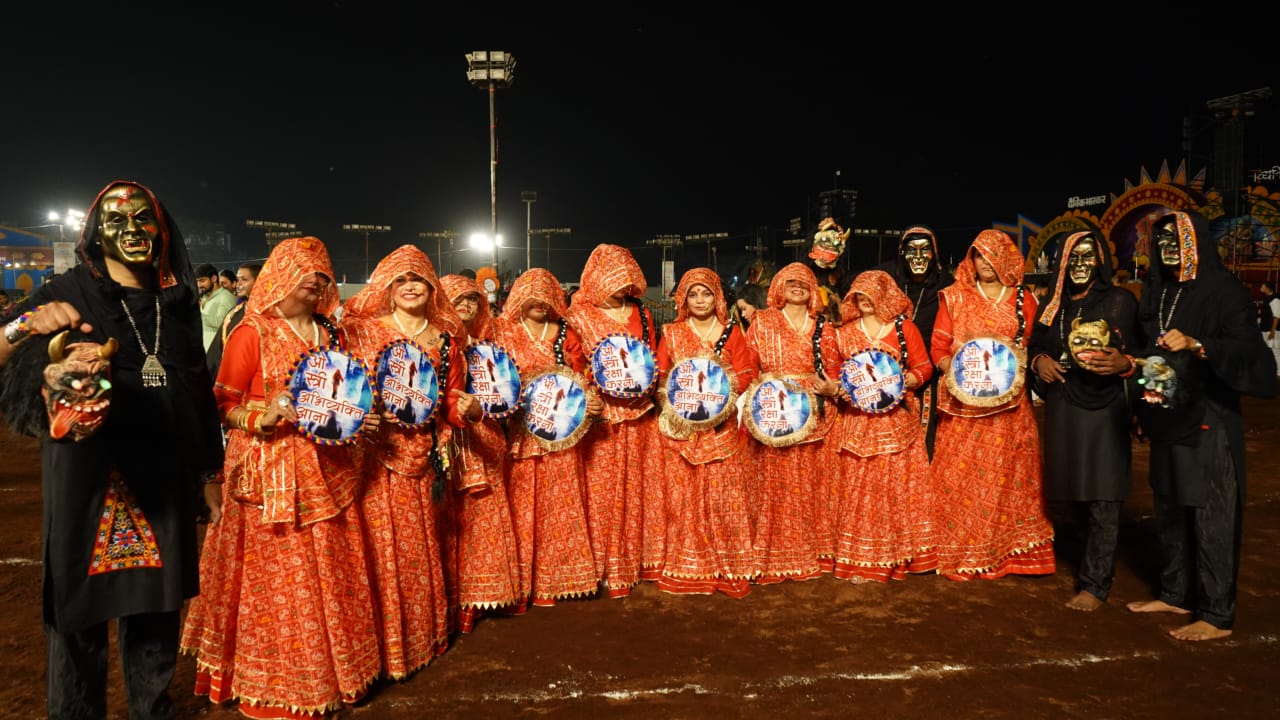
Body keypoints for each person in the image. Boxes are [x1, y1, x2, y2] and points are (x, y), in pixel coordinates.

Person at [0, 180, 224, 719]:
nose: (132, 230)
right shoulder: (67, 291)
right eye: (116, 221)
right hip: (88, 485)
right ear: (95, 236)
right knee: (79, 620)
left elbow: (195, 390)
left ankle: (152, 712)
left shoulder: (177, 304)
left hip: (162, 484)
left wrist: (209, 476)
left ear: (162, 229)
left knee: (156, 616)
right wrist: (32, 322)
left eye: (143, 219)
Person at [179, 236, 382, 717]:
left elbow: (345, 396)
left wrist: (362, 416)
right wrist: (256, 417)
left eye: (321, 278)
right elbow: (222, 402)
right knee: (273, 577)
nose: (315, 284)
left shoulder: (330, 337)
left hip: (329, 472)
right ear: (282, 277)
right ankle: (269, 679)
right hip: (268, 475)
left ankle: (329, 674)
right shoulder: (252, 333)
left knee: (329, 569)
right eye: (306, 275)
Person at [1125, 209, 1276, 641]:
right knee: (1170, 505)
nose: (1169, 250)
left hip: (1210, 415)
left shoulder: (1223, 289)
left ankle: (1216, 613)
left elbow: (1250, 350)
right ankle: (1175, 592)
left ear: (1195, 244)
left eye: (1178, 241)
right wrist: (1143, 407)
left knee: (1212, 512)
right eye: (1163, 243)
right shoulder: (1158, 290)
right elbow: (1149, 354)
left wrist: (1198, 344)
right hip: (1166, 413)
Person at [340, 245, 477, 677]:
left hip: (422, 460)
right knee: (376, 548)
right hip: (372, 460)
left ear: (432, 288)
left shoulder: (445, 341)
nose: (410, 287)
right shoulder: (362, 332)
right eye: (401, 280)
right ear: (387, 287)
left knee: (417, 548)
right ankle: (375, 644)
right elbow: (339, 383)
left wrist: (467, 410)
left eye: (418, 279)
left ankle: (416, 639)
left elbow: (450, 402)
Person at [930, 228, 1056, 580]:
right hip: (963, 409)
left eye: (990, 256)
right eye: (978, 256)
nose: (984, 263)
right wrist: (953, 371)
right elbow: (939, 347)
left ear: (1004, 258)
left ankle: (1006, 552)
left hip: (1008, 409)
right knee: (958, 478)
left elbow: (1033, 344)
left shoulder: (1022, 299)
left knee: (1009, 479)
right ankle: (958, 550)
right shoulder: (954, 297)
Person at [1028, 230, 1140, 610]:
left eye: (1087, 257)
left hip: (1105, 406)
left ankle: (1095, 583)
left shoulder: (1119, 300)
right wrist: (1037, 361)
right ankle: (1087, 565)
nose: (1079, 265)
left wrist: (1126, 364)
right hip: (1064, 404)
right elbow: (1037, 345)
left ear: (1101, 262)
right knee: (1072, 490)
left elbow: (1141, 351)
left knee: (1103, 493)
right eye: (1071, 258)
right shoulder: (1051, 305)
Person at [492, 268, 602, 607]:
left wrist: (592, 397)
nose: (539, 302)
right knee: (524, 506)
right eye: (532, 295)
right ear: (520, 297)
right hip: (523, 435)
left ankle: (562, 579)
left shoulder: (566, 333)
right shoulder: (503, 332)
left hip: (563, 434)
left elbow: (584, 372)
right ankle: (525, 582)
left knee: (561, 504)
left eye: (545, 296)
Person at [654, 267, 761, 596]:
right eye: (693, 294)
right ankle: (689, 566)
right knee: (683, 499)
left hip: (721, 428)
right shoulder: (672, 332)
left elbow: (745, 373)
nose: (700, 300)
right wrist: (676, 405)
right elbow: (661, 376)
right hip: (682, 431)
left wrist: (721, 399)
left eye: (707, 293)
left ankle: (726, 564)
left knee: (721, 497)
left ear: (718, 297)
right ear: (683, 299)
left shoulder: (732, 333)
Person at [565, 244, 664, 597]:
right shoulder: (578, 315)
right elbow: (572, 363)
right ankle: (602, 565)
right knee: (602, 492)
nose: (621, 285)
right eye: (614, 277)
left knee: (639, 489)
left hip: (641, 417)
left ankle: (637, 560)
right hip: (601, 420)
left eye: (626, 278)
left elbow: (653, 357)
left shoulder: (643, 313)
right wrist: (587, 393)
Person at [829, 269, 936, 582]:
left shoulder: (905, 329)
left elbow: (924, 367)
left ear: (885, 296)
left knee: (892, 490)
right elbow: (837, 373)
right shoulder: (845, 332)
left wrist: (903, 383)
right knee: (856, 490)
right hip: (855, 424)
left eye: (870, 295)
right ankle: (859, 558)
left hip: (894, 423)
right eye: (859, 296)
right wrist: (843, 389)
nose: (864, 301)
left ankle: (895, 555)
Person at [743, 262, 843, 582]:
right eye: (790, 282)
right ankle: (772, 552)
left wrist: (833, 387)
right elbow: (748, 366)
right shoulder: (761, 322)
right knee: (775, 480)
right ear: (778, 288)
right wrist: (760, 391)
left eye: (804, 282)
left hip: (815, 413)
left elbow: (834, 368)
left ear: (813, 289)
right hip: (774, 410)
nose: (797, 286)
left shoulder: (824, 327)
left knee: (812, 482)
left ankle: (810, 550)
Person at [439, 272, 522, 631]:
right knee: (449, 521)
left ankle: (484, 595)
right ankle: (451, 599)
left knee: (484, 515)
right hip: (446, 441)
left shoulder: (490, 342)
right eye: (458, 298)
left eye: (473, 299)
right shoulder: (434, 341)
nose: (467, 305)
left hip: (485, 438)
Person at [875, 224, 952, 460]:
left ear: (934, 253)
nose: (918, 258)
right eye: (911, 250)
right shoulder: (886, 281)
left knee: (926, 437)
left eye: (924, 250)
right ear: (901, 253)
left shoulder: (947, 287)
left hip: (931, 374)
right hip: (887, 374)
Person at [205, 262, 261, 377]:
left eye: (244, 280)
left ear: (259, 281)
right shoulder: (234, 314)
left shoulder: (273, 313)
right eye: (237, 279)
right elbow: (216, 352)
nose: (237, 284)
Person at [195, 263, 237, 351]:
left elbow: (221, 324)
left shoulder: (226, 297)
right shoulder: (203, 297)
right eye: (197, 281)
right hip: (202, 352)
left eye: (202, 281)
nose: (199, 285)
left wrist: (197, 312)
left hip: (217, 352)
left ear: (214, 278)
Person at [1260, 280, 1280, 378]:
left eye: (1262, 286)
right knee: (1268, 351)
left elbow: (1277, 316)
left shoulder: (1275, 299)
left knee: (1275, 351)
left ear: (1267, 288)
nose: (1261, 287)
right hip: (1266, 328)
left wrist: (1273, 331)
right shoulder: (1267, 298)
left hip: (1272, 330)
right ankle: (1271, 371)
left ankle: (1278, 373)